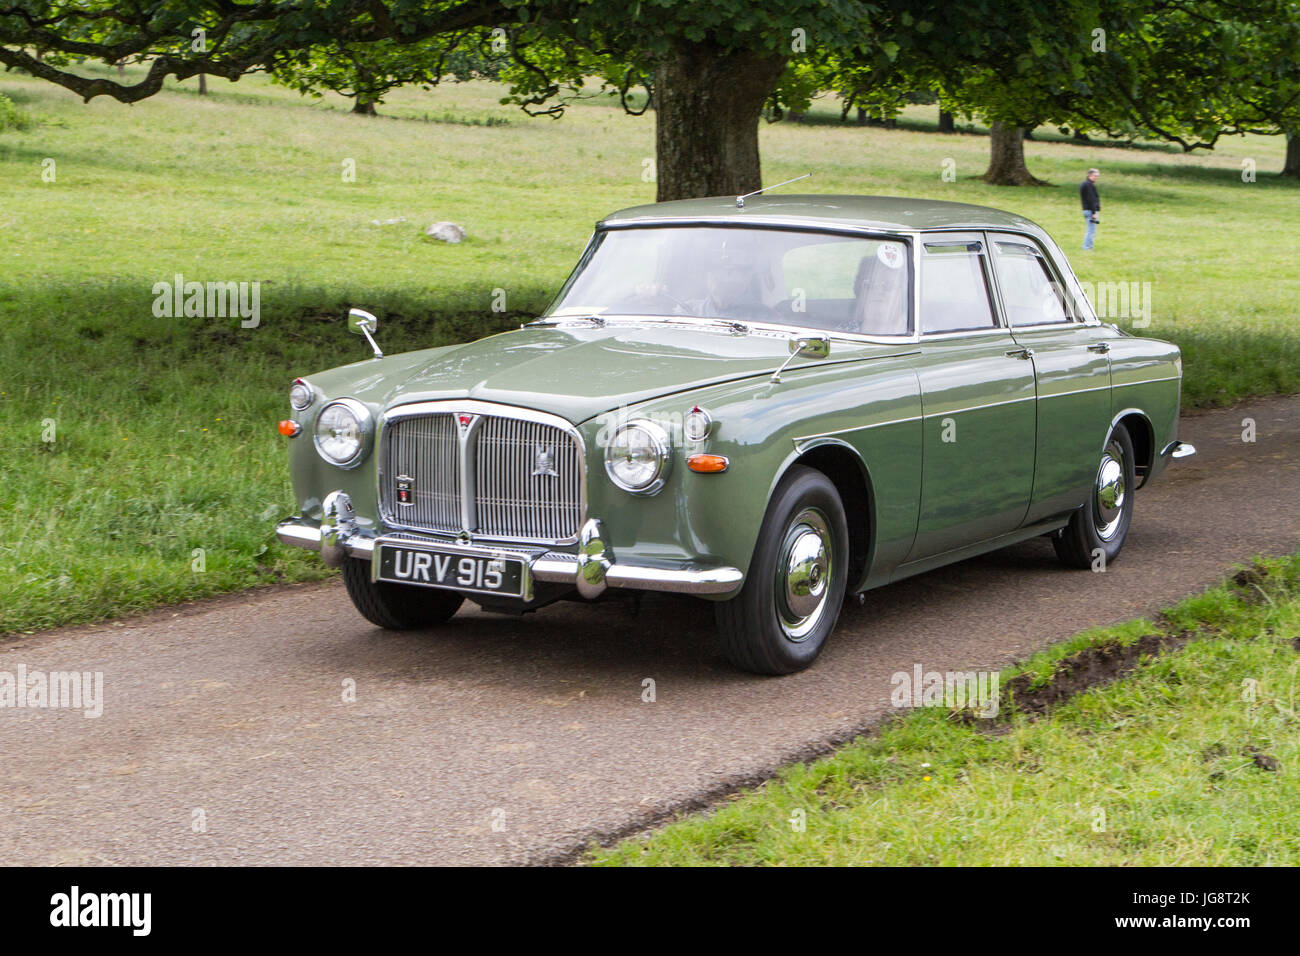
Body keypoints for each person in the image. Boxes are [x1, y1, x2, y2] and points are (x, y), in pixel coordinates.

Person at [1080, 168, 1101, 250]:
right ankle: (1087, 247)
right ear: (1089, 175)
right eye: (1095, 176)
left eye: (1097, 176)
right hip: (1090, 210)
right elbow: (1090, 199)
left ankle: (1087, 246)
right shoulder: (1088, 185)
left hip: (1086, 210)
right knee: (1091, 230)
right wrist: (1093, 212)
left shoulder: (1086, 184)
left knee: (1090, 229)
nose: (1096, 178)